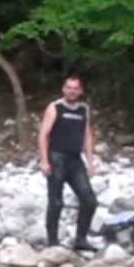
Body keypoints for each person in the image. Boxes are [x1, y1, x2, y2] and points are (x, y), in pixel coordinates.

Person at [37, 75, 99, 251]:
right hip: (56, 158)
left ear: (80, 91)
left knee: (89, 200)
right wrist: (44, 160)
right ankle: (53, 242)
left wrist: (91, 162)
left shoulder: (83, 109)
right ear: (63, 89)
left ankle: (81, 239)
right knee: (56, 202)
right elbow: (43, 135)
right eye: (68, 87)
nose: (71, 91)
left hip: (75, 160)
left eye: (75, 88)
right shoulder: (55, 107)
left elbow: (87, 136)